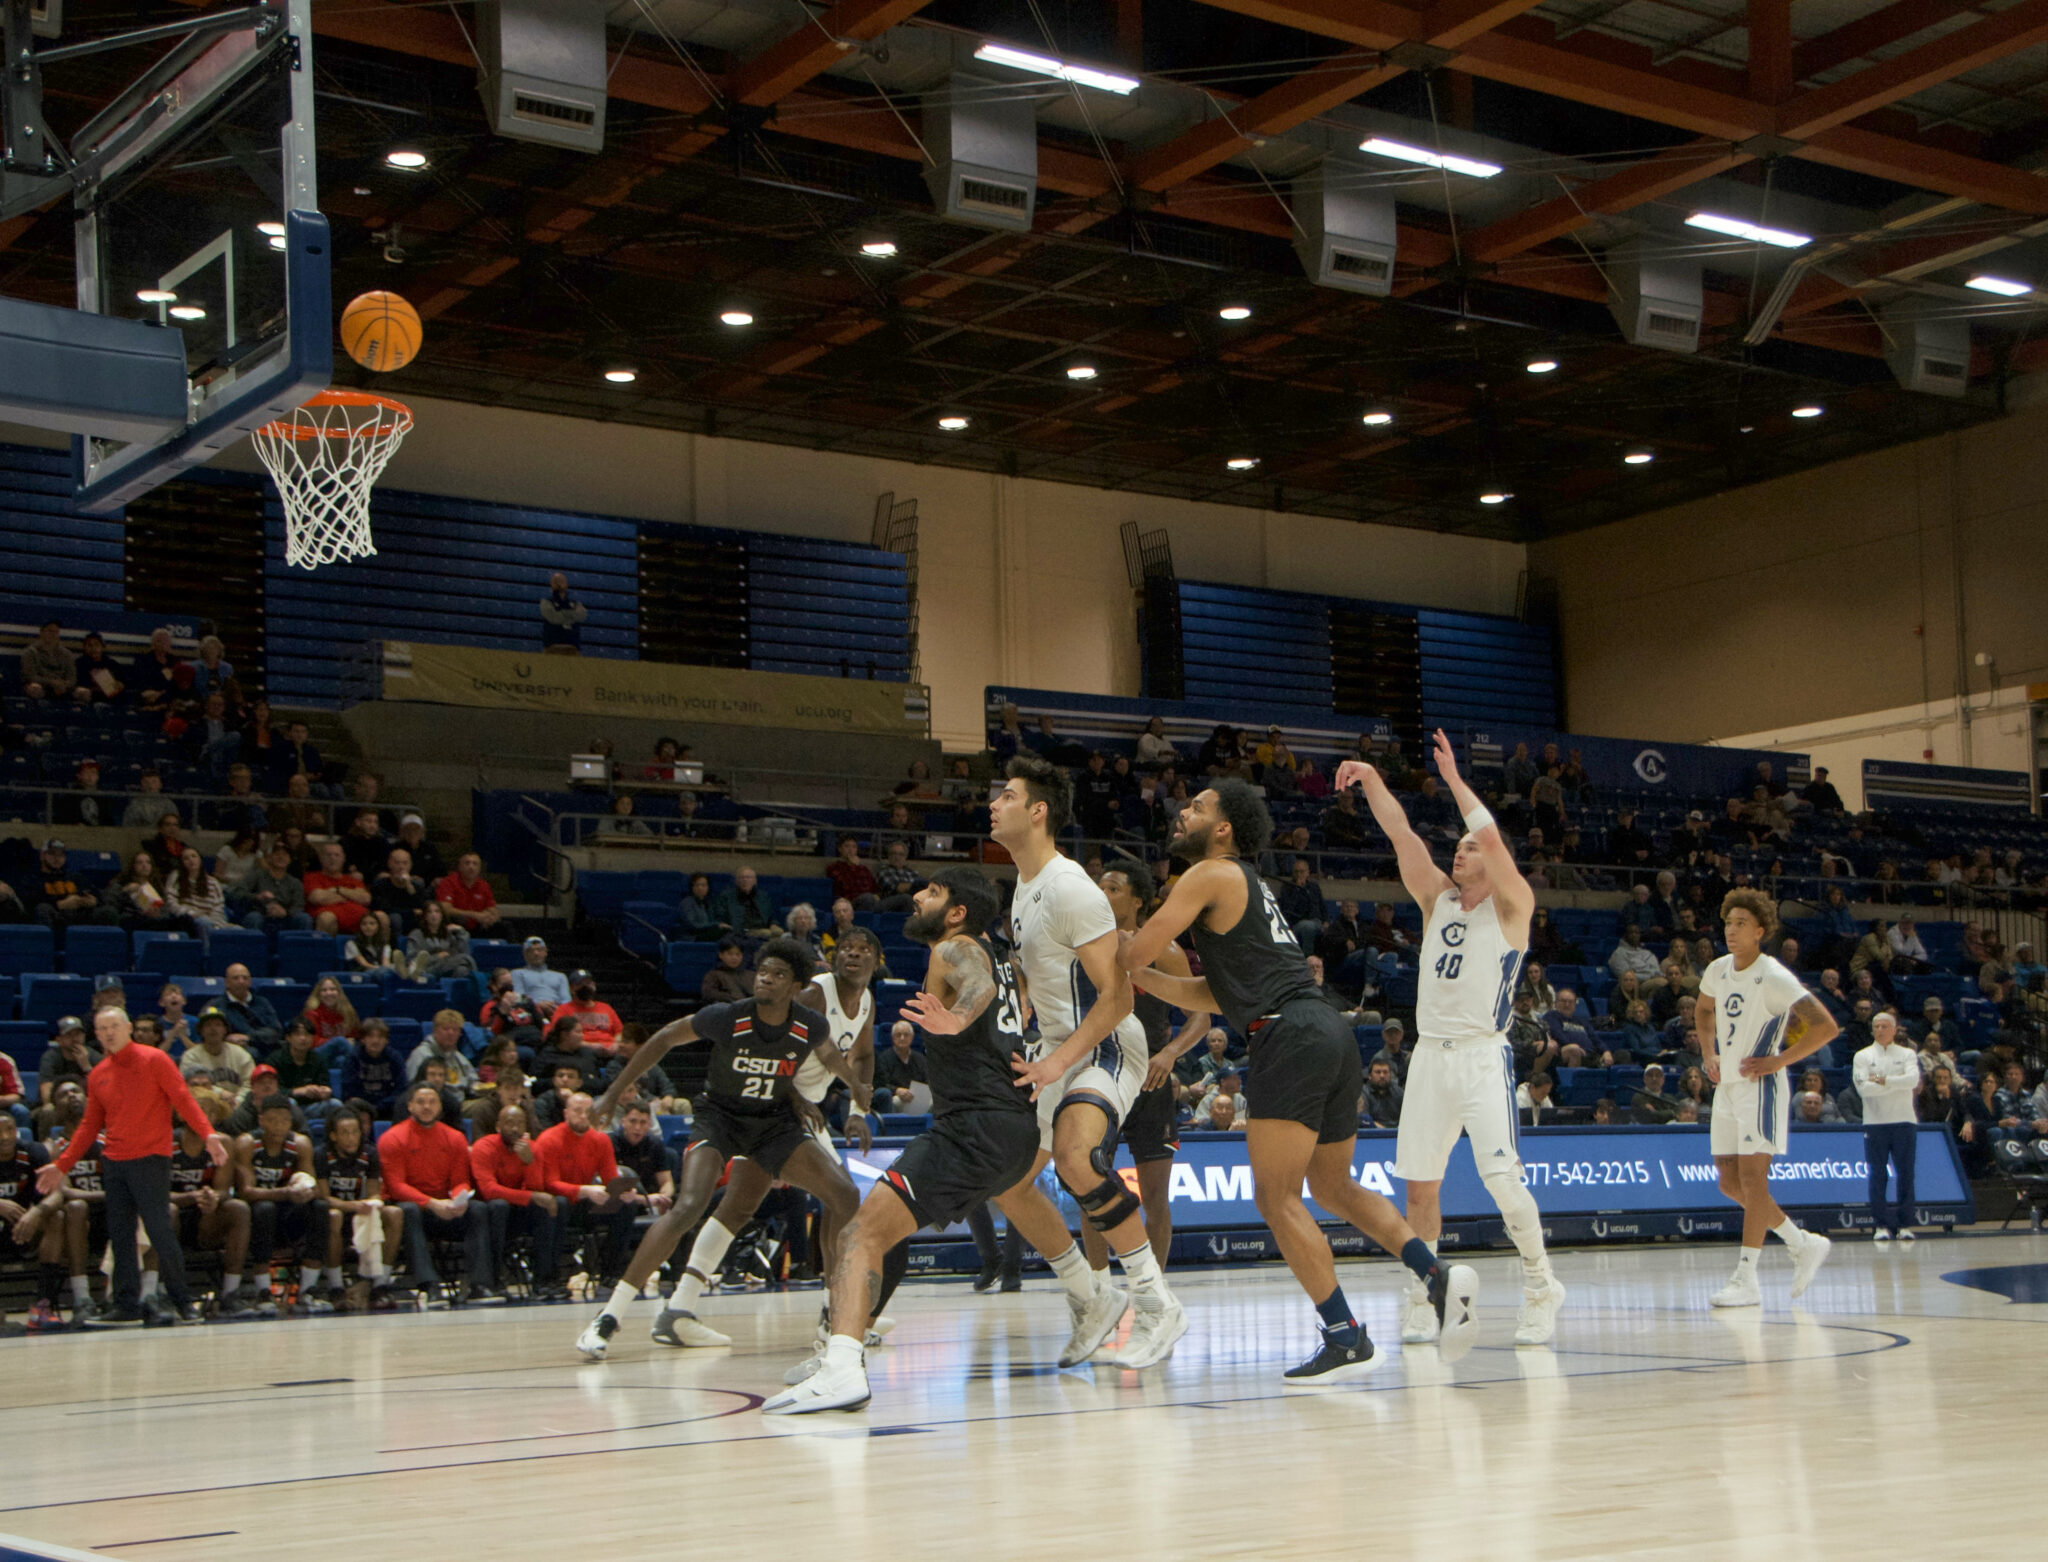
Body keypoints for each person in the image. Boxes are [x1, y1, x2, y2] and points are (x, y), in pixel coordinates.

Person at [1117, 776, 1478, 1382]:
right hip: (1326, 1030)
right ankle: (1435, 1275)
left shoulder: (1206, 874)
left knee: (1274, 1196)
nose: (1184, 811)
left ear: (1224, 829)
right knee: (1331, 1188)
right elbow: (1223, 992)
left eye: (1198, 806)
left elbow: (1138, 951)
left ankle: (1346, 1336)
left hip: (1288, 1034)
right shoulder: (1247, 887)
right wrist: (1147, 980)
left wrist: (1102, 949)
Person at [761, 870, 1045, 1413]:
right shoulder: (1008, 962)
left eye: (933, 893)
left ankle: (842, 1368)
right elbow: (1019, 1008)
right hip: (1012, 1131)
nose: (917, 898)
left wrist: (952, 1019)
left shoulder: (954, 947)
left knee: (857, 1234)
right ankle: (838, 1354)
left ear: (958, 911)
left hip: (973, 1127)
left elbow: (977, 990)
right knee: (883, 1234)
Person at [1342, 734, 1559, 1348]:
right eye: (1458, 848)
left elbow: (1489, 836)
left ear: (1493, 862)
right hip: (1430, 1058)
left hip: (1483, 1058)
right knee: (1420, 1187)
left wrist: (1457, 780)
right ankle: (1425, 1295)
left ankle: (1541, 1286)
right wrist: (1371, 779)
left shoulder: (1514, 907)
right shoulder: (1438, 900)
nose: (1459, 853)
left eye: (1469, 849)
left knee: (1503, 1183)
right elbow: (1401, 834)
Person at [574, 938, 868, 1362]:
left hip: (772, 1125)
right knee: (690, 1203)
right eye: (762, 970)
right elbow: (662, 1040)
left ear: (797, 986)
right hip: (720, 1118)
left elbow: (827, 1055)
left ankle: (831, 1309)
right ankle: (610, 1315)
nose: (766, 977)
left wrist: (852, 1084)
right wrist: (611, 1094)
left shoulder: (810, 1025)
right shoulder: (729, 1016)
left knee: (845, 1194)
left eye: (778, 974)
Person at [992, 756, 1186, 1369]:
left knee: (1078, 1159)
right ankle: (1089, 1294)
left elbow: (1119, 995)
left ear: (1038, 811)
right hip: (1055, 1047)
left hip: (1103, 1043)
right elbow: (1039, 973)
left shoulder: (1072, 887)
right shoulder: (1023, 887)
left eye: (1008, 794)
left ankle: (1157, 1304)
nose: (994, 803)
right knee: (1010, 1182)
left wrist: (1059, 1063)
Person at [35, 1007, 227, 1325]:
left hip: (151, 1159)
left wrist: (208, 1134)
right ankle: (126, 1306)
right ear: (96, 1034)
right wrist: (61, 1165)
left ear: (128, 1028)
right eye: (102, 1028)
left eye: (114, 1026)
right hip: (114, 1162)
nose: (109, 1032)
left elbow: (183, 1099)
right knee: (121, 1234)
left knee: (158, 1230)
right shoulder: (98, 1074)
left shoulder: (155, 1059)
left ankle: (183, 1302)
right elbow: (89, 1127)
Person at [1697, 890, 1841, 1309]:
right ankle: (1801, 1242)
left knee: (1753, 1181)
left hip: (1761, 1088)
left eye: (1741, 923)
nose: (1731, 929)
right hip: (1727, 1086)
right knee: (1727, 1180)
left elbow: (1825, 1026)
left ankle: (1746, 1278)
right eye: (1728, 922)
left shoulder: (1774, 975)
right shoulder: (1718, 969)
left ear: (1761, 931)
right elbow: (1704, 1012)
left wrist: (1780, 1060)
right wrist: (1709, 1052)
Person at [379, 1082, 495, 1307]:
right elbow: (396, 1186)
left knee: (478, 1209)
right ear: (410, 1106)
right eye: (420, 1102)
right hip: (416, 1208)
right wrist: (432, 1203)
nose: (426, 1107)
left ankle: (479, 1285)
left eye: (432, 1102)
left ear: (440, 1107)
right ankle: (429, 1286)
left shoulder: (454, 1138)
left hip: (445, 1207)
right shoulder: (393, 1138)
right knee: (408, 1211)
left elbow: (460, 1179)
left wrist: (459, 1199)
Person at [234, 1096, 330, 1315]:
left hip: (289, 1215)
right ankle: (263, 1292)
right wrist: (285, 1192)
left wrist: (305, 1189)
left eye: (284, 1120)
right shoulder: (248, 1143)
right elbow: (246, 1192)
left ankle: (308, 1290)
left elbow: (313, 1186)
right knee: (264, 1208)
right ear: (261, 1121)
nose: (278, 1126)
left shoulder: (300, 1144)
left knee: (321, 1206)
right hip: (257, 1217)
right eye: (272, 1120)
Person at [471, 1103, 563, 1299]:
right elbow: (489, 1191)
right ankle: (495, 1279)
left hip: (518, 1210)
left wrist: (529, 1163)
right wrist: (531, 1197)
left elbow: (536, 1188)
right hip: (489, 1213)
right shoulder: (484, 1147)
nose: (514, 1129)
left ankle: (544, 1280)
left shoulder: (532, 1149)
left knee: (550, 1206)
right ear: (498, 1127)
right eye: (509, 1123)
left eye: (519, 1123)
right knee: (499, 1205)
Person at [1854, 1012, 1922, 1243]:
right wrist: (1895, 1082)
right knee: (1878, 1175)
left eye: (1884, 1026)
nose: (1880, 1029)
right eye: (1876, 1026)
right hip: (1875, 1123)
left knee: (1906, 1174)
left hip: (1904, 1121)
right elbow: (1864, 1089)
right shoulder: (1862, 1056)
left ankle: (1905, 1225)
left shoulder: (1907, 1054)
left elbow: (1912, 1081)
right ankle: (1881, 1224)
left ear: (1894, 1029)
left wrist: (1882, 1080)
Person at [435, 853, 501, 931]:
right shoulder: (448, 882)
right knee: (460, 920)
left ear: (479, 868)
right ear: (459, 867)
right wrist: (474, 915)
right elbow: (445, 909)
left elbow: (492, 908)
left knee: (504, 926)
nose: (471, 867)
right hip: (456, 924)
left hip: (479, 924)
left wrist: (491, 918)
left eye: (475, 864)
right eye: (467, 863)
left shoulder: (484, 885)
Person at [512, 936, 571, 1017]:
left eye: (539, 950)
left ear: (545, 952)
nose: (536, 953)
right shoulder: (517, 973)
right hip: (531, 1013)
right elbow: (519, 997)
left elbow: (566, 1000)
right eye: (531, 951)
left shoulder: (560, 976)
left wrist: (558, 1009)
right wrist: (537, 1005)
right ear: (525, 955)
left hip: (557, 1012)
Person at [540, 572, 587, 652]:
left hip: (572, 647)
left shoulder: (576, 603)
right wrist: (571, 616)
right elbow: (554, 618)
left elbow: (582, 616)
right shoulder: (546, 602)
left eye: (561, 581)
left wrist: (562, 613)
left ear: (566, 584)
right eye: (556, 581)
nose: (559, 583)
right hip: (552, 646)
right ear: (551, 585)